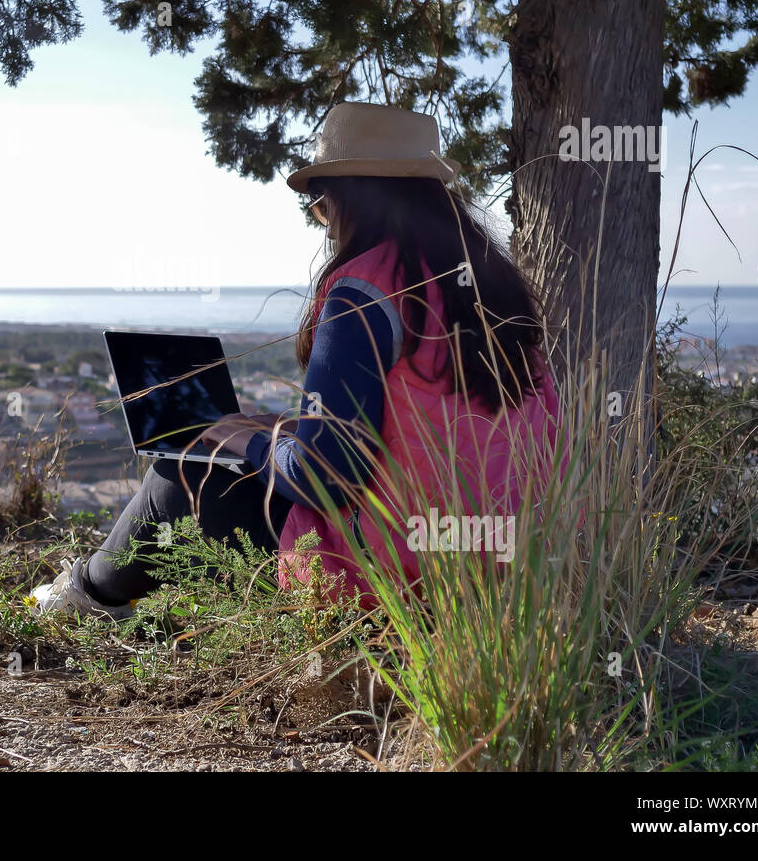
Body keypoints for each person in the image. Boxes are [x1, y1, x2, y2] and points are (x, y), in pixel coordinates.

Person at [32, 103, 558, 617]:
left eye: (323, 198)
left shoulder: (364, 290)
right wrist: (290, 430)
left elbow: (326, 476)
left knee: (182, 474)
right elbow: (429, 426)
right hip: (504, 564)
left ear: (353, 196)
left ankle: (84, 600)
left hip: (392, 575)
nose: (320, 215)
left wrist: (244, 439)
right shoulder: (490, 283)